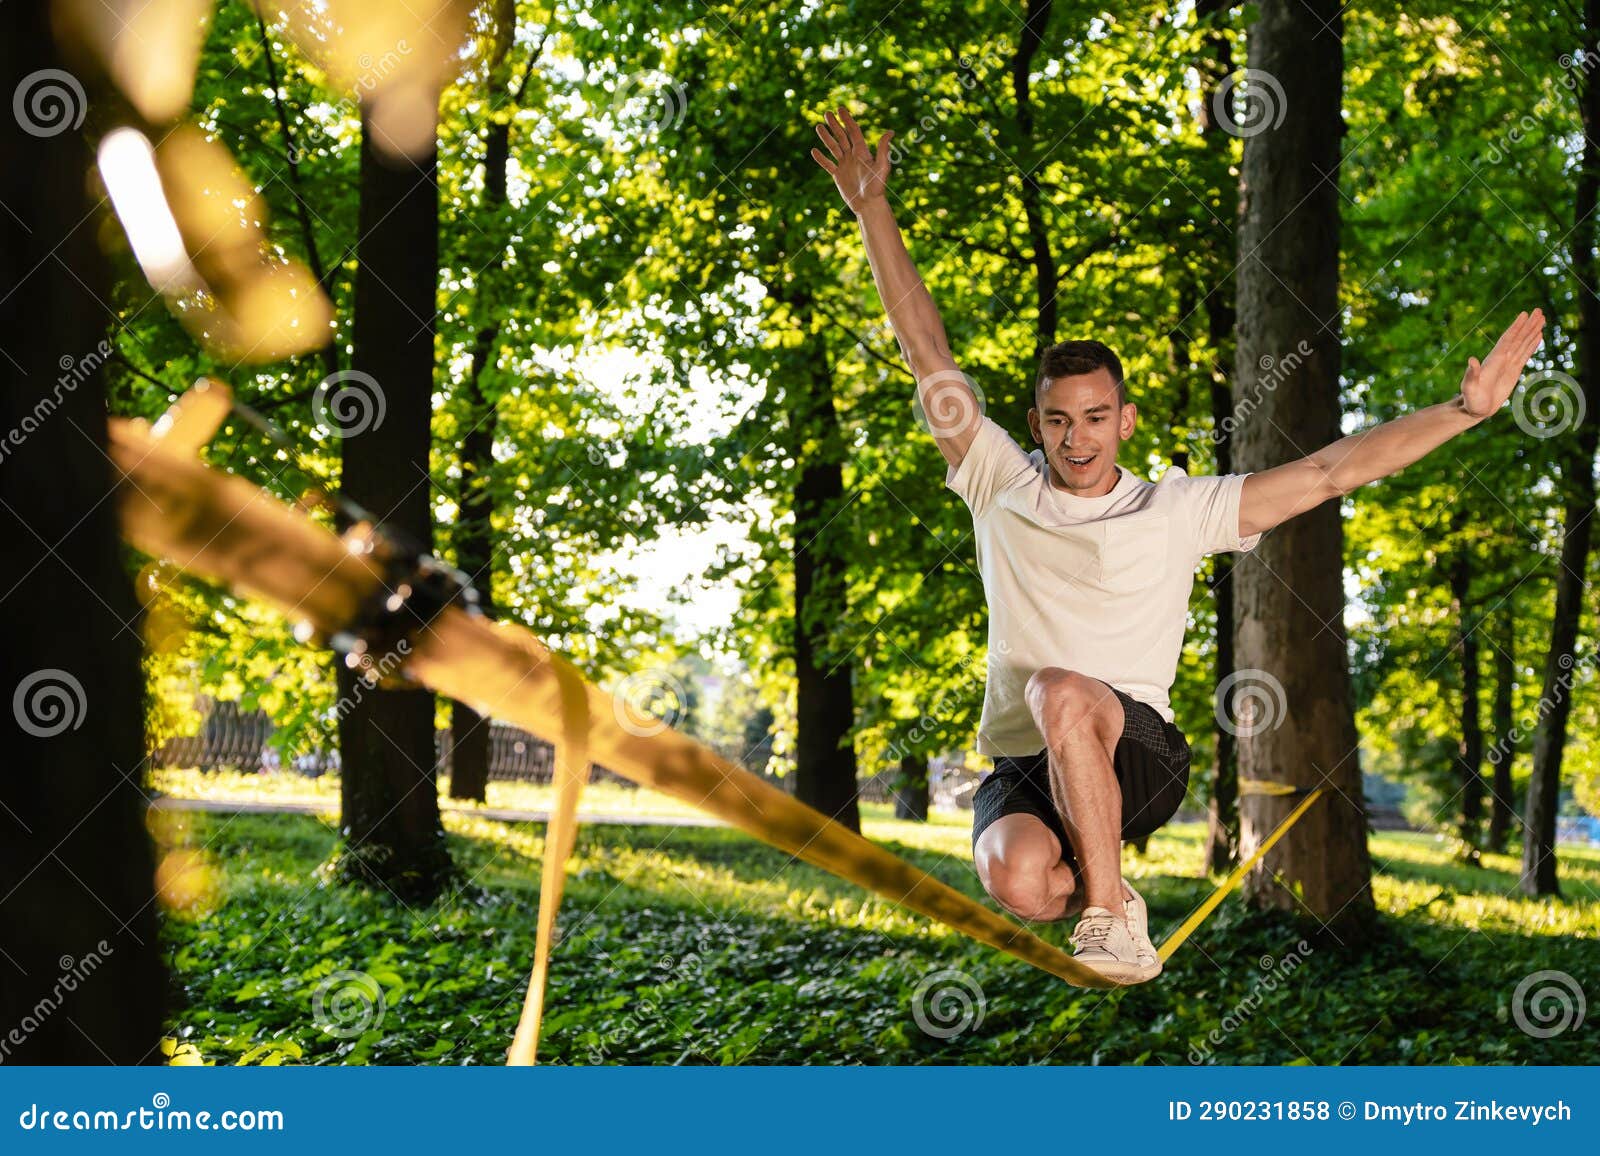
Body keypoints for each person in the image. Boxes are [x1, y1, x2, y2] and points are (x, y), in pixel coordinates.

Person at [810, 103, 1546, 984]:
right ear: (1035, 425)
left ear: (1124, 420)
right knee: (1017, 879)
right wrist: (871, 209)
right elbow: (926, 349)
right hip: (1026, 759)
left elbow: (1328, 473)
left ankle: (1106, 919)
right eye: (1057, 420)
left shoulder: (1178, 509)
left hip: (1139, 751)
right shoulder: (997, 482)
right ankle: (1108, 893)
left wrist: (1462, 413)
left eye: (1095, 418)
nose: (1077, 439)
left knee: (1060, 689)